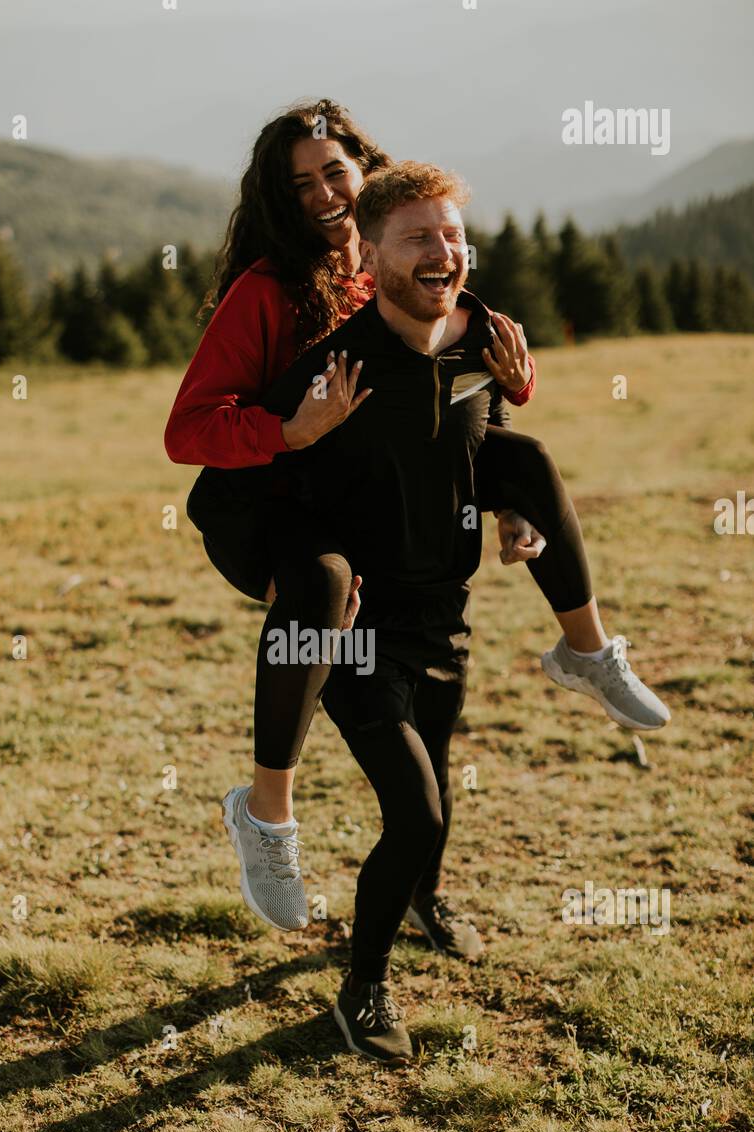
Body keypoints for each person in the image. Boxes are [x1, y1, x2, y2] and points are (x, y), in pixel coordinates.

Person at [164, 100, 670, 941]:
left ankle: (584, 654)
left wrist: (507, 463)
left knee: (526, 469)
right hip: (273, 504)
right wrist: (288, 429)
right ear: (278, 202)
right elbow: (187, 431)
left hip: (379, 507)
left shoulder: (404, 258)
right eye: (301, 186)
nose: (323, 196)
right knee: (323, 587)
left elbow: (458, 389)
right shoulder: (267, 293)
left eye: (336, 173)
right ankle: (267, 818)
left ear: (365, 178)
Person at [254, 161, 669, 1063]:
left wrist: (512, 502)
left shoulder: (479, 342)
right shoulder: (334, 370)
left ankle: (424, 897)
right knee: (418, 811)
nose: (444, 252)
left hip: (448, 613)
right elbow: (237, 490)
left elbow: (472, 448)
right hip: (359, 635)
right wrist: (297, 578)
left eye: (451, 235)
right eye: (419, 238)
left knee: (436, 779)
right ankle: (362, 987)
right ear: (371, 254)